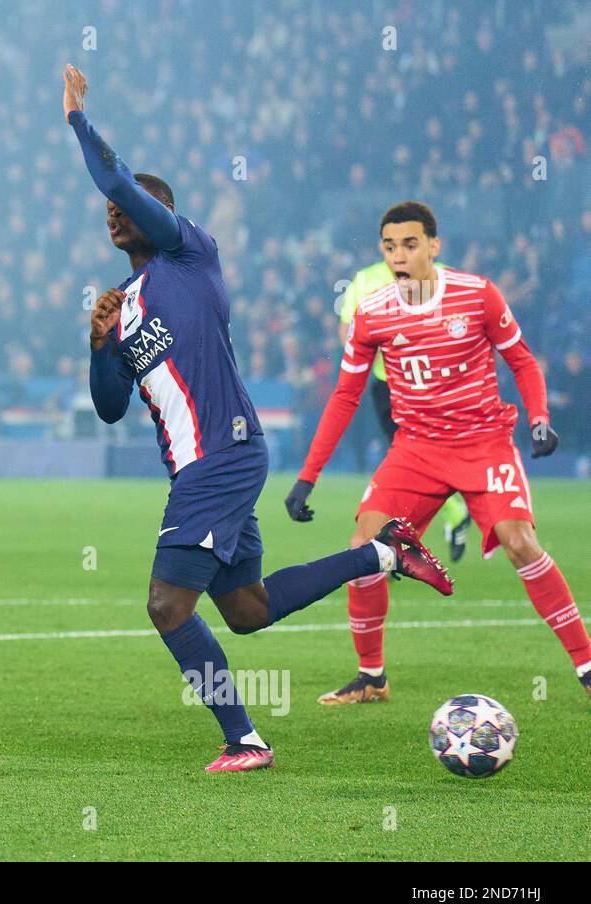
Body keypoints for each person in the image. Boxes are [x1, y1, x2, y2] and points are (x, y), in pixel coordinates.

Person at [63, 64, 452, 772]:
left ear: (159, 213)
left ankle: (245, 740)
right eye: (109, 213)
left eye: (127, 207)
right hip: (205, 465)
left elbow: (118, 182)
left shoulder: (189, 253)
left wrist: (78, 123)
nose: (114, 214)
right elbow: (111, 405)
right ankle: (386, 551)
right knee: (246, 608)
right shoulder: (123, 304)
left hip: (221, 456)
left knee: (165, 605)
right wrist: (96, 347)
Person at [286, 201, 590, 703]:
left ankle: (586, 664)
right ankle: (372, 677)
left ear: (433, 245)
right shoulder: (373, 312)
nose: (399, 255)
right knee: (363, 550)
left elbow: (523, 360)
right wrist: (307, 476)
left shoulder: (478, 295)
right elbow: (345, 395)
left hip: (483, 443)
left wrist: (539, 419)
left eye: (409, 244)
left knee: (519, 542)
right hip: (416, 449)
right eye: (389, 247)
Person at [339, 259, 473, 561]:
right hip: (398, 384)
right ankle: (444, 516)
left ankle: (396, 543)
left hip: (420, 383)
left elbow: (346, 333)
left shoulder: (429, 276)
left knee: (410, 459)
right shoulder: (422, 273)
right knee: (414, 457)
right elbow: (348, 333)